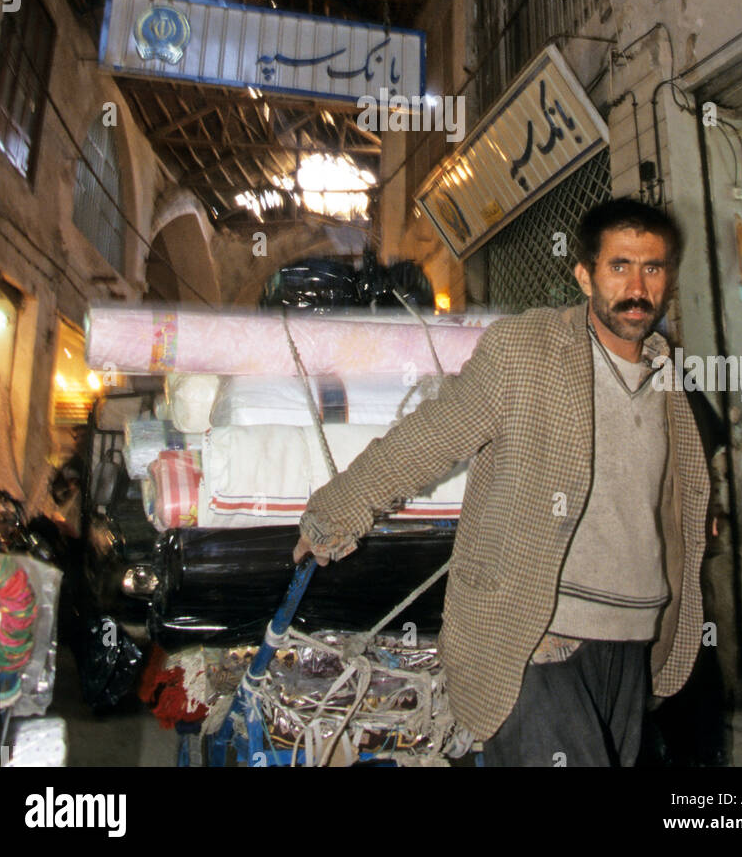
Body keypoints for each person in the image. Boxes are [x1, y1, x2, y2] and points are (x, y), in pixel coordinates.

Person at [294, 198, 710, 767]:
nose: (637, 286)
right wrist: (334, 513)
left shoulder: (670, 381)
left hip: (634, 635)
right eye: (619, 267)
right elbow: (432, 437)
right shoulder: (528, 352)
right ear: (585, 274)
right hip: (538, 634)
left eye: (653, 268)